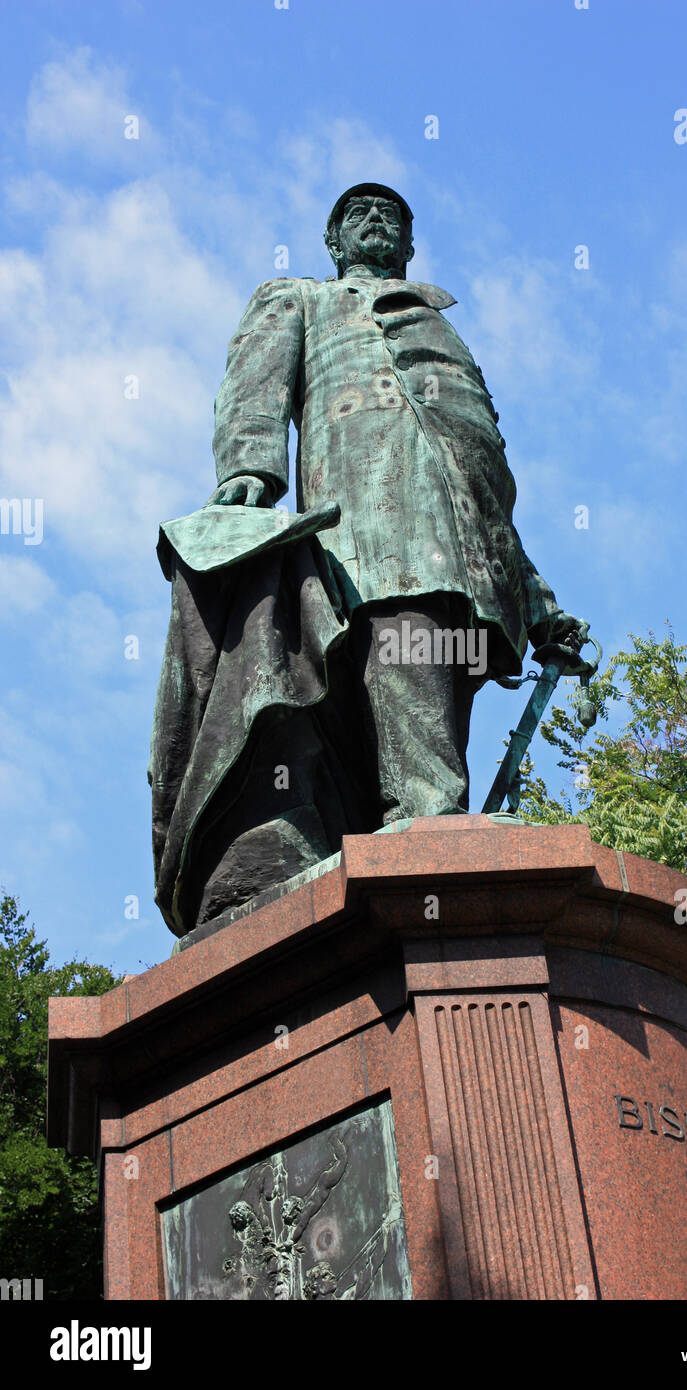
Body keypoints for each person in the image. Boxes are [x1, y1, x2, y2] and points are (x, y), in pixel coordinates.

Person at [151, 183, 586, 939]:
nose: (377, 219)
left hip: (462, 531)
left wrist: (537, 598)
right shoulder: (300, 299)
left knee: (437, 642)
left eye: (392, 214)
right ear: (334, 241)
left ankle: (430, 833)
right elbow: (254, 389)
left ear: (411, 246)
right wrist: (248, 474)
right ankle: (428, 829)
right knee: (402, 624)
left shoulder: (446, 332)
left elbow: (490, 491)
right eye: (358, 213)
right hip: (362, 502)